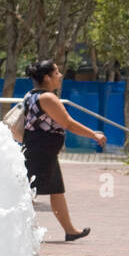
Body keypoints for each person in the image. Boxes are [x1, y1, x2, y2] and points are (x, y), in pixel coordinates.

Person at [20, 60, 107, 241]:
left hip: (41, 150)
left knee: (54, 189)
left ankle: (69, 230)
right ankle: (18, 232)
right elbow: (67, 123)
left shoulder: (31, 95)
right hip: (41, 151)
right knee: (28, 191)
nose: (60, 76)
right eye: (57, 72)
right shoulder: (47, 98)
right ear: (47, 77)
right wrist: (94, 135)